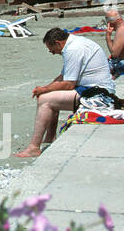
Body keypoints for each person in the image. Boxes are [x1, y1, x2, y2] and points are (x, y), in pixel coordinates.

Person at [15, 27, 115, 159]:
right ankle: (50, 137)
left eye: (51, 49)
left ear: (58, 43)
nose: (51, 52)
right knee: (49, 95)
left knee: (45, 100)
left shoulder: (73, 49)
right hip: (92, 89)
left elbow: (69, 84)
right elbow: (63, 77)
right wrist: (46, 88)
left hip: (99, 94)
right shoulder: (75, 44)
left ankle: (34, 147)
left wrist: (44, 91)